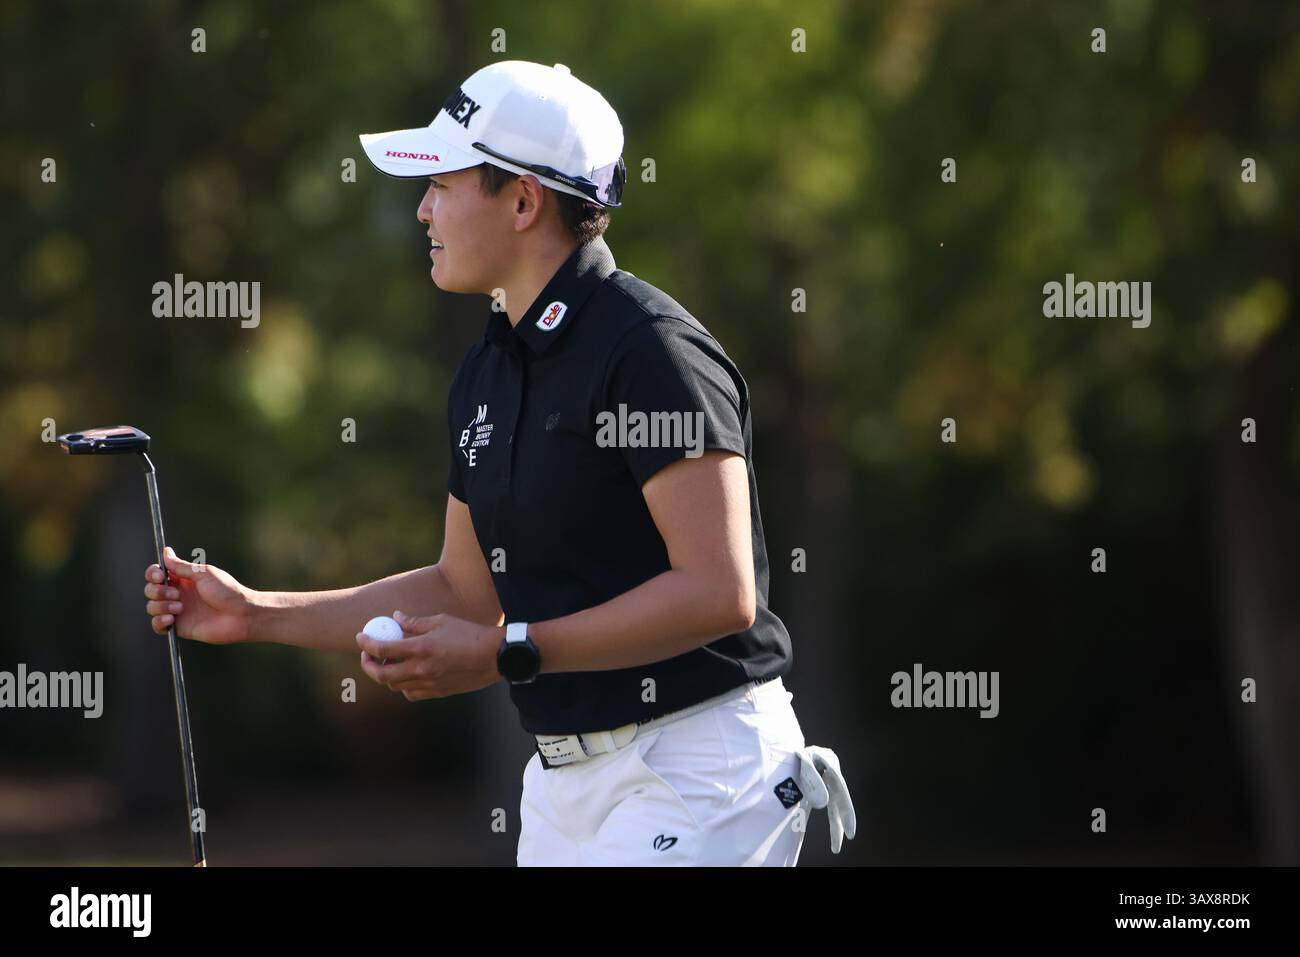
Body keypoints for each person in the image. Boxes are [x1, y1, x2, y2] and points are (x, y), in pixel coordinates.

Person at [142, 60, 854, 866]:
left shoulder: (650, 350)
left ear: (522, 201)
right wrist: (255, 613)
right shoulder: (486, 369)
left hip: (698, 767)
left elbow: (719, 592)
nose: (422, 210)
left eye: (441, 185)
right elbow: (464, 588)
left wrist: (508, 649)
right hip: (562, 784)